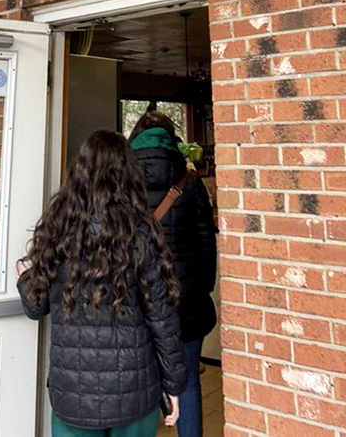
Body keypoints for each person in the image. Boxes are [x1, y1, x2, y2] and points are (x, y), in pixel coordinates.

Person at [16, 129, 186, 437]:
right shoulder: (142, 232)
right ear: (128, 176)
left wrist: (25, 276)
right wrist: (174, 385)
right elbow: (162, 317)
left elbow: (35, 307)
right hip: (135, 390)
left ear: (80, 173)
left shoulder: (58, 231)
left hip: (73, 395)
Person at [129, 111, 217, 437]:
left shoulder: (123, 179)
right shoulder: (190, 182)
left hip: (138, 296)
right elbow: (206, 242)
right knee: (189, 381)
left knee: (138, 381)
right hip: (187, 298)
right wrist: (203, 286)